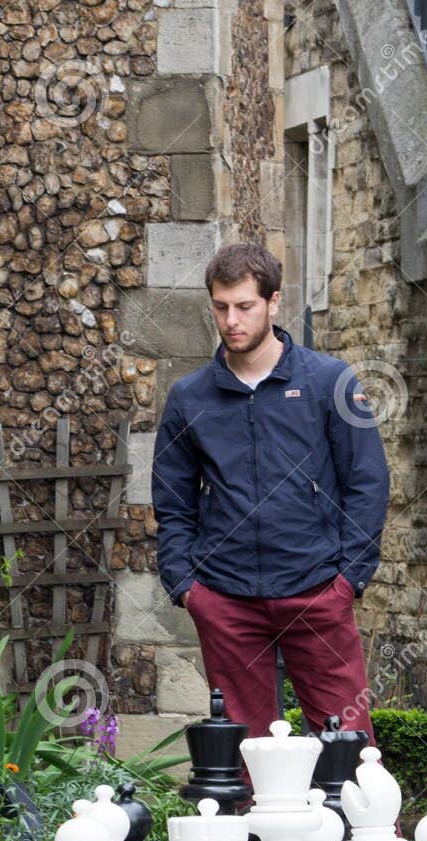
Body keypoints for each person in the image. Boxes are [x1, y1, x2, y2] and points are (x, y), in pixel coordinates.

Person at [152, 241, 390, 743]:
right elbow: (173, 503)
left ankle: (363, 825)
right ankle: (252, 827)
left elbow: (367, 482)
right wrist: (187, 587)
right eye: (221, 307)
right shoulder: (189, 397)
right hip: (226, 598)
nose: (231, 320)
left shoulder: (329, 382)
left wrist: (347, 580)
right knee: (246, 757)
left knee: (347, 751)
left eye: (245, 306)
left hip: (317, 591)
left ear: (274, 302)